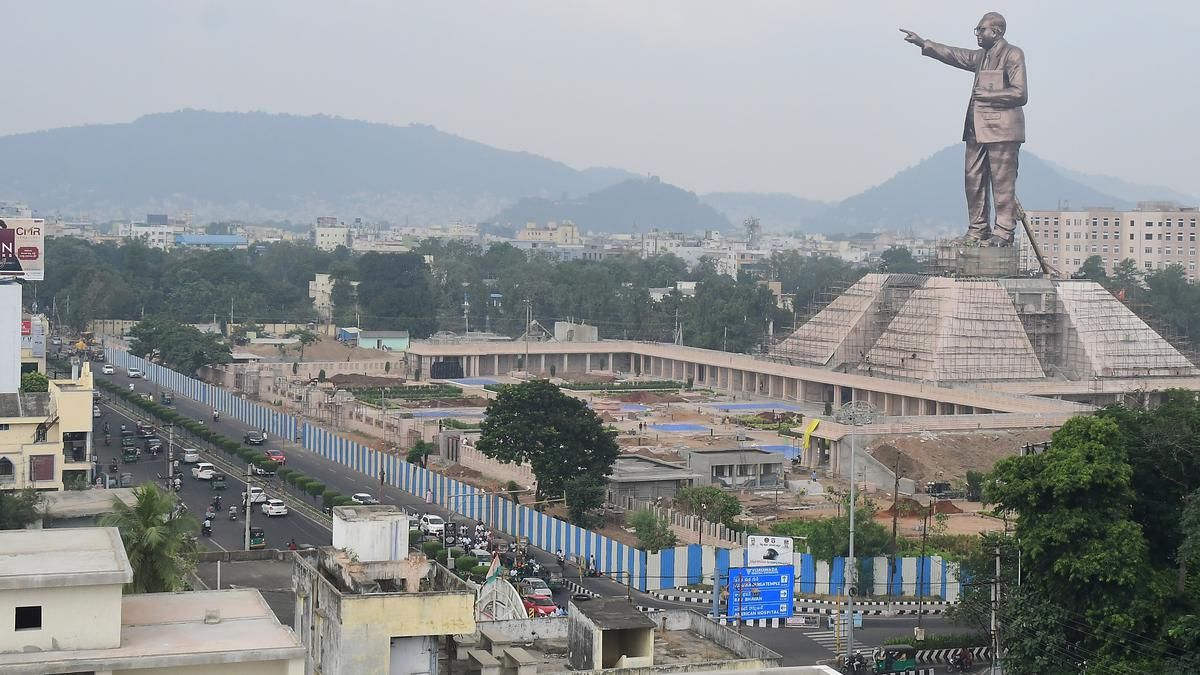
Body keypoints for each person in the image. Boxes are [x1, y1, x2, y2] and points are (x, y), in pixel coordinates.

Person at [901, 12, 1027, 245]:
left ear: (996, 32)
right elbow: (954, 55)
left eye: (981, 30)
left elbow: (1020, 94)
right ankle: (978, 228)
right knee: (973, 179)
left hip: (1002, 130)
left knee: (1001, 182)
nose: (978, 34)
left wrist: (989, 94)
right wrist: (923, 43)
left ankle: (1003, 232)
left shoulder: (1013, 54)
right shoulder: (981, 57)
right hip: (976, 129)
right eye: (977, 30)